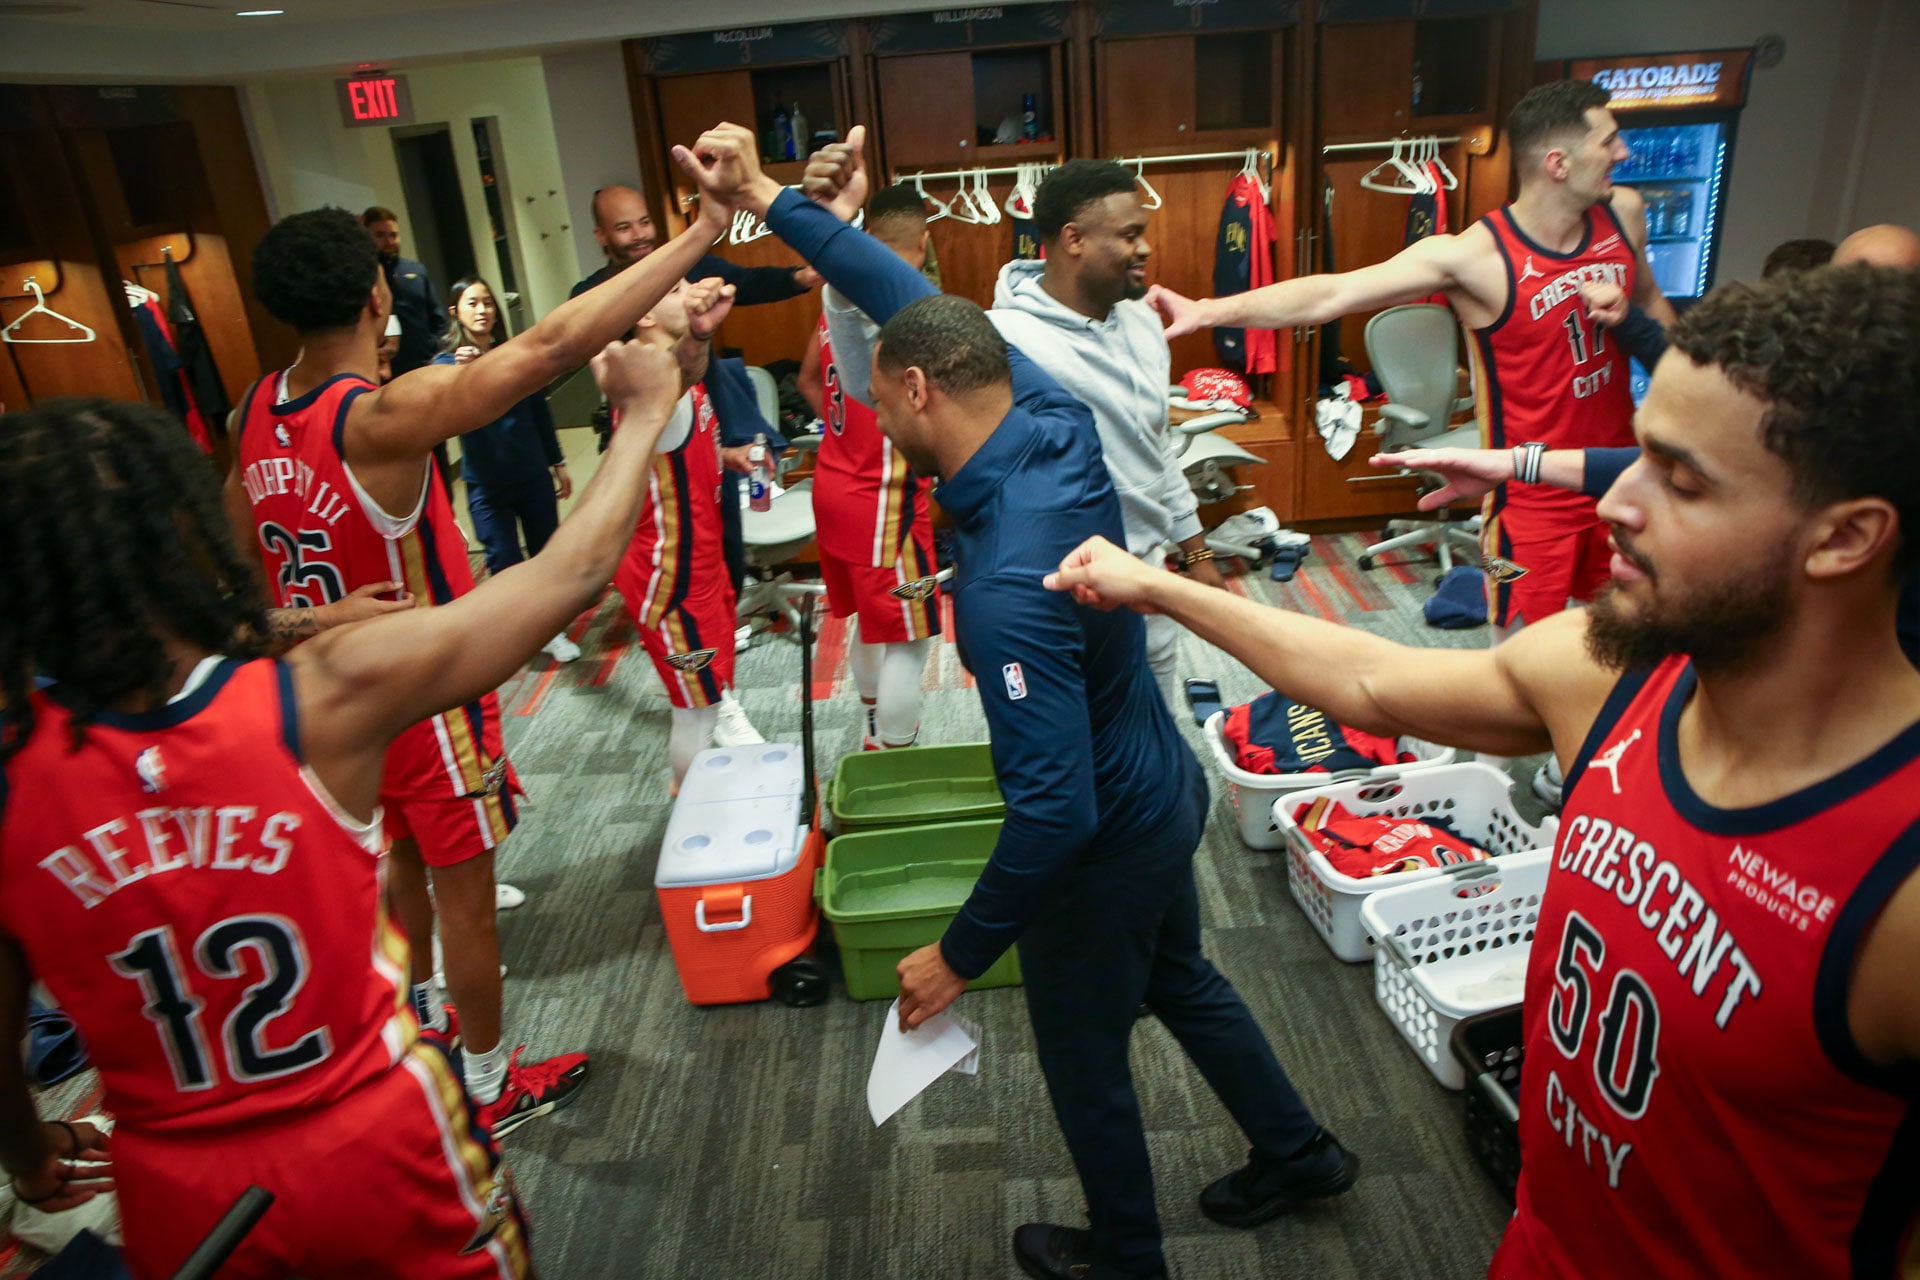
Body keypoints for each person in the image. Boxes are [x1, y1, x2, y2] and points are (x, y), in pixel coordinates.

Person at [1049, 263, 1920, 1279]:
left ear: (1847, 537)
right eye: (1633, 456)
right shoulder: (1613, 675)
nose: (1617, 505)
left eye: (1681, 481)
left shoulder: (1898, 879)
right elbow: (1372, 680)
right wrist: (1159, 586)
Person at [680, 123, 1355, 1280]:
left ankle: (1127, 1254)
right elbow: (896, 286)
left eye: (883, 399)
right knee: (1179, 977)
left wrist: (956, 950)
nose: (875, 420)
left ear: (918, 386)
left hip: (1101, 831)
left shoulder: (1005, 591)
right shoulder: (1042, 413)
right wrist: (765, 198)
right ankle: (1302, 1150)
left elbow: (1053, 815)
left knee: (1083, 1048)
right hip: (1157, 783)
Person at [0, 343, 685, 1275]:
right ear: (179, 537)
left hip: (180, 1182)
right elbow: (565, 577)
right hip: (374, 1140)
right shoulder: (314, 697)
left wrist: (31, 1158)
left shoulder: (11, 778)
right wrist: (642, 414)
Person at [227, 202, 726, 1137]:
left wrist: (313, 616)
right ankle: (489, 1085)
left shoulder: (250, 414)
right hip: (425, 700)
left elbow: (232, 594)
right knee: (467, 909)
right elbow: (548, 350)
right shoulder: (380, 414)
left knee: (395, 872)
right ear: (379, 292)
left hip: (327, 711)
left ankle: (410, 1044)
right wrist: (698, 236)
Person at [1152, 80, 1670, 639]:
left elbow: (1654, 311)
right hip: (1526, 508)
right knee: (1518, 649)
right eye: (1609, 141)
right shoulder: (1473, 256)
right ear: (1558, 162)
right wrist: (1207, 310)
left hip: (1622, 483)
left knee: (1639, 638)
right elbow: (1331, 293)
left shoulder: (1625, 215)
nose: (1623, 153)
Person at [992, 159, 1227, 692]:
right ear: (1073, 239)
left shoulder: (1142, 318)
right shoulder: (1006, 339)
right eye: (1130, 235)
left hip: (1147, 577)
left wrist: (1198, 552)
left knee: (1155, 738)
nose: (1144, 248)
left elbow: (1157, 448)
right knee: (1074, 756)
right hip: (1061, 590)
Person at [613, 276, 774, 792]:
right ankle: (689, 804)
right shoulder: (658, 375)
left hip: (699, 562)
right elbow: (676, 380)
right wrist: (701, 336)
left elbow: (674, 453)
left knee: (707, 691)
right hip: (670, 580)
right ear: (643, 314)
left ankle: (717, 713)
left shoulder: (676, 369)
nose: (691, 292)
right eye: (674, 288)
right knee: (694, 712)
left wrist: (728, 457)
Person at [796, 182, 942, 750]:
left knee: (869, 624)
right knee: (910, 637)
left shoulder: (839, 297)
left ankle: (873, 730)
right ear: (924, 239)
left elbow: (810, 379)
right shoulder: (908, 311)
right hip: (885, 502)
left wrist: (844, 431)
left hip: (832, 484)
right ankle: (894, 752)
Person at [432, 275, 580, 664]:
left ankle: (551, 629)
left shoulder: (515, 351)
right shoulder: (446, 364)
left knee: (547, 555)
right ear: (455, 313)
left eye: (487, 303)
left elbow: (538, 409)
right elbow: (437, 409)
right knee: (503, 561)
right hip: (486, 482)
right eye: (472, 304)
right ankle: (516, 636)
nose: (482, 311)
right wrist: (459, 375)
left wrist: (557, 461)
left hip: (531, 472)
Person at [364, 206, 456, 493]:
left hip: (424, 372)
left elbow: (439, 321)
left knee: (436, 446)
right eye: (380, 235)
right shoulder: (364, 281)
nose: (389, 241)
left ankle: (447, 511)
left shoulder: (415, 272)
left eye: (393, 234)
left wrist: (439, 359)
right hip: (386, 381)